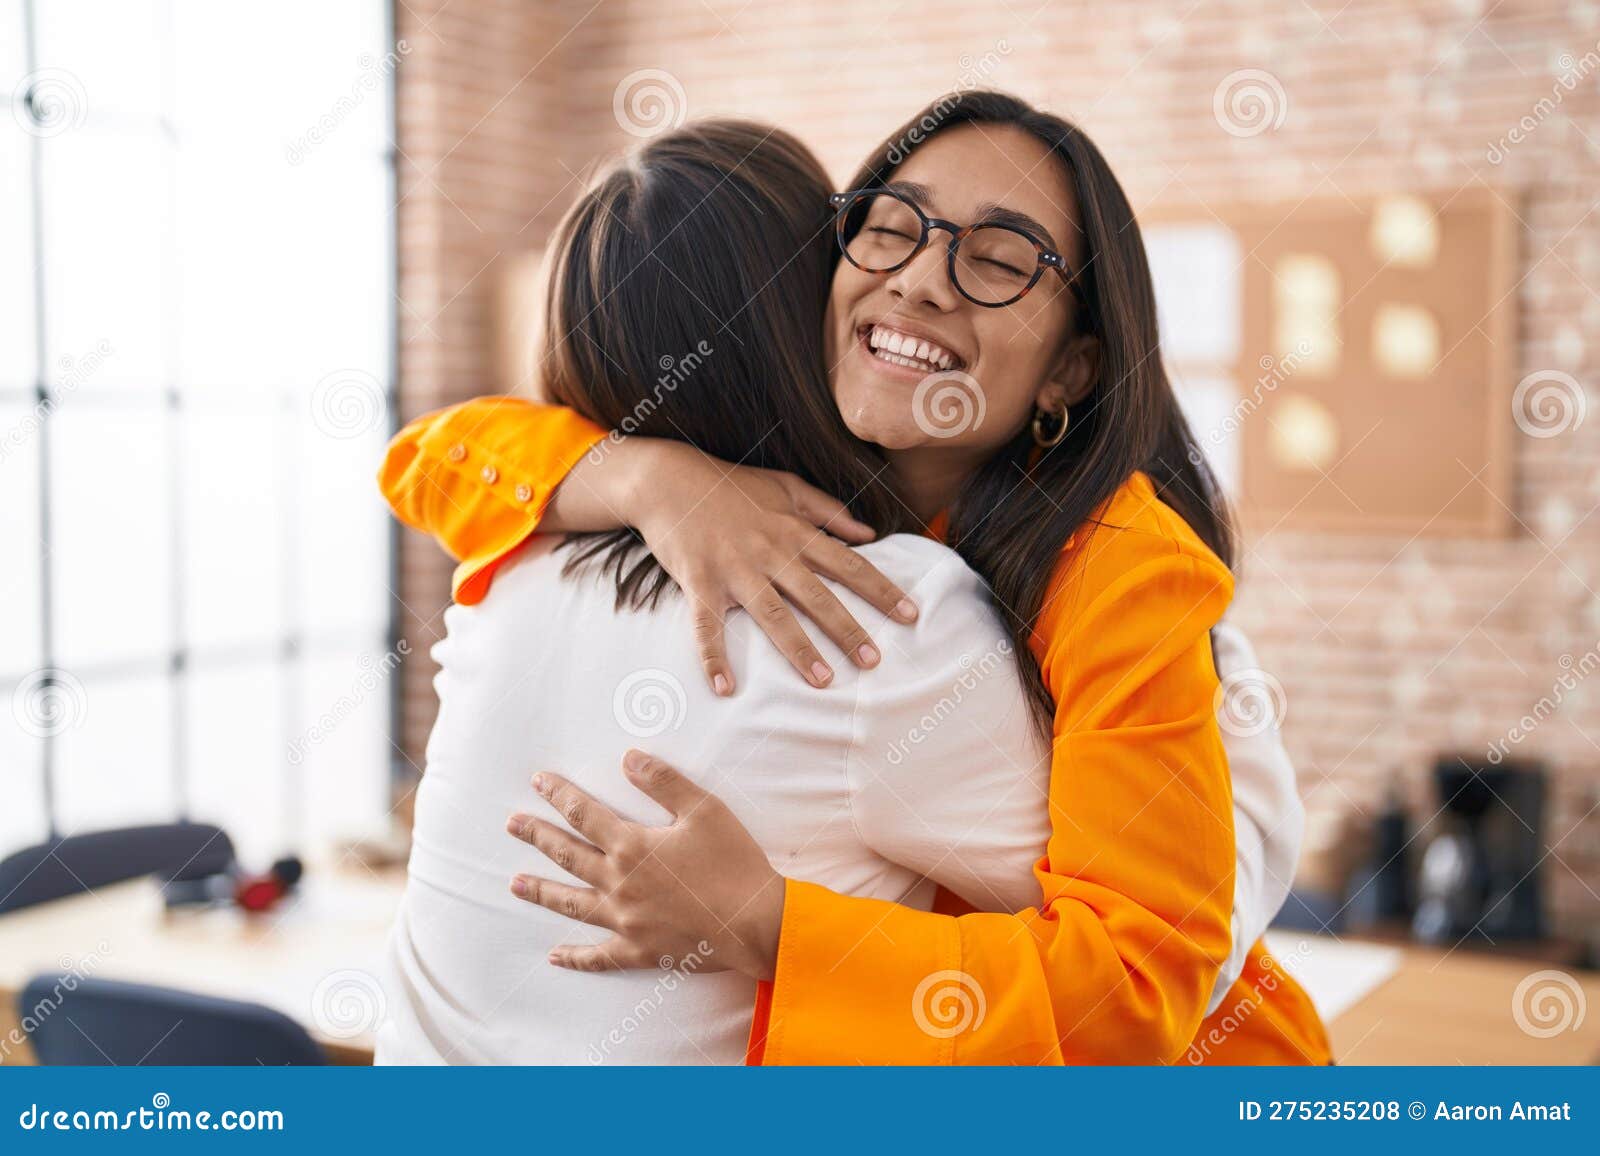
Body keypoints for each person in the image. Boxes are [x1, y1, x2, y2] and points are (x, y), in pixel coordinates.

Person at [381, 92, 1329, 1064]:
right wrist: (647, 474)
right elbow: (428, 457)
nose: (921, 279)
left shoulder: (1111, 574)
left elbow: (1146, 979)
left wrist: (768, 923)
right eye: (890, 228)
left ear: (1070, 371)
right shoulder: (787, 518)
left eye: (1000, 260)